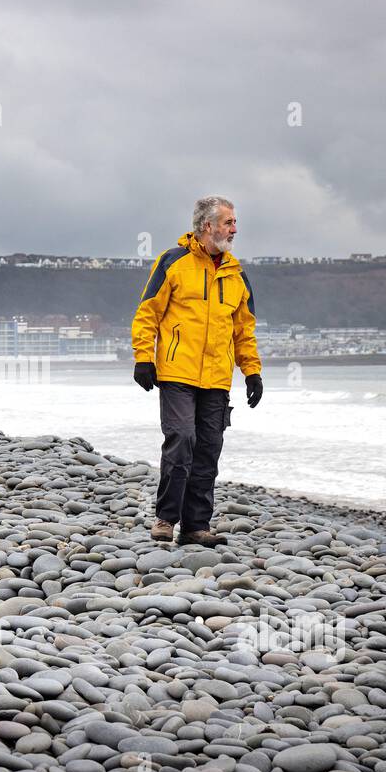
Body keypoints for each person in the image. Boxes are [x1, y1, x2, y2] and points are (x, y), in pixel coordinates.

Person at [130, 195, 263, 545]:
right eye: (228, 223)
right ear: (207, 226)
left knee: (208, 448)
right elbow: (148, 312)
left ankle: (196, 527)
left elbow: (243, 331)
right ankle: (165, 519)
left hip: (217, 378)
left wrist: (252, 372)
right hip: (177, 373)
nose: (234, 229)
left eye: (234, 223)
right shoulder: (173, 262)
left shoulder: (237, 275)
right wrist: (144, 358)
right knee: (181, 440)